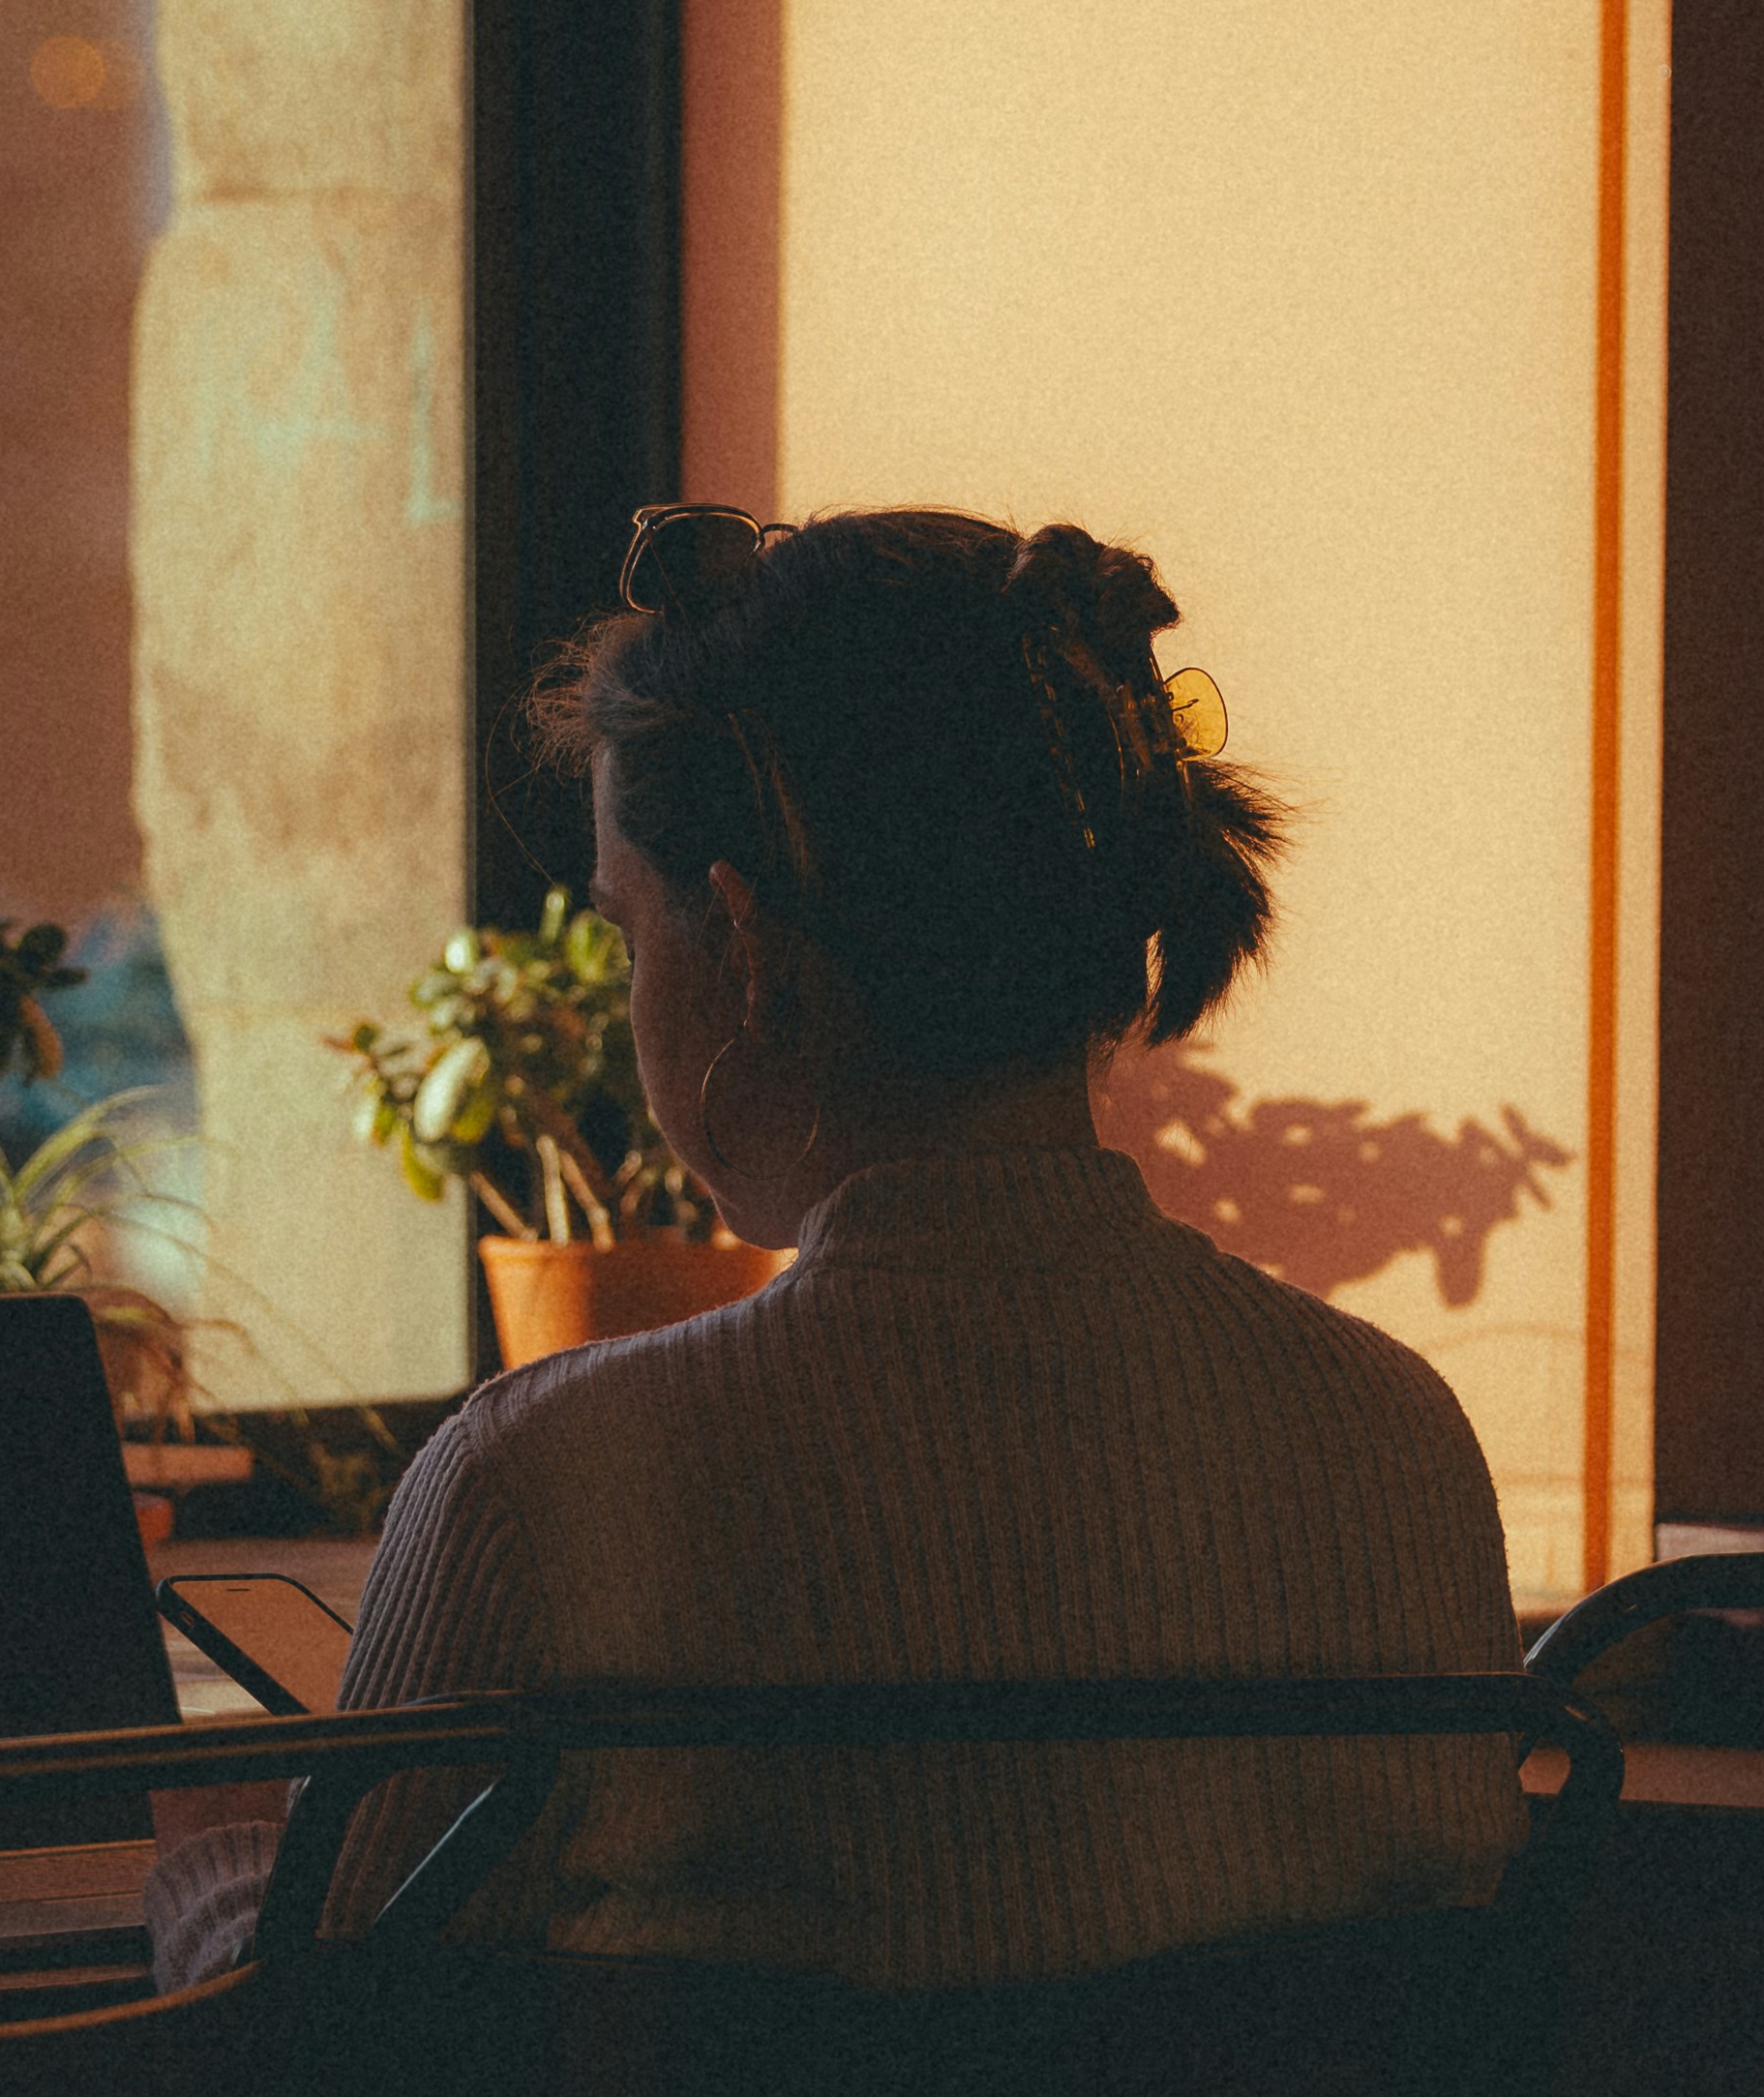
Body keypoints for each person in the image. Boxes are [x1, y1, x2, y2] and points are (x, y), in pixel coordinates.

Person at [153, 497, 1528, 1985]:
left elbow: (314, 2092)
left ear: (741, 947)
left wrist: (218, 1867)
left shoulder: (551, 1488)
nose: (629, 993)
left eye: (628, 933)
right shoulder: (1399, 1440)